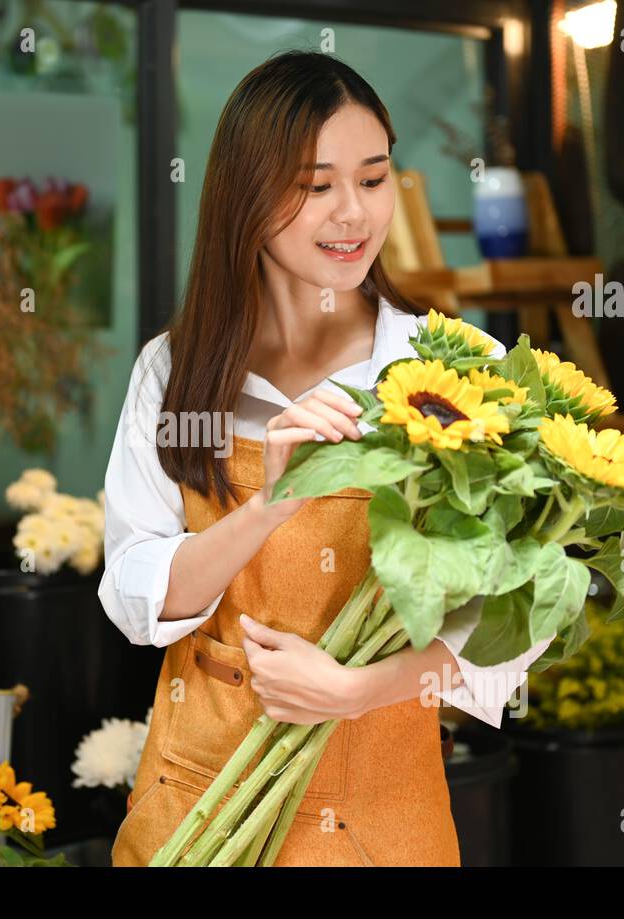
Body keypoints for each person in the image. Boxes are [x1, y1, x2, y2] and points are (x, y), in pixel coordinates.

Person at [98, 50, 554, 867]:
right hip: (195, 803)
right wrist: (270, 504)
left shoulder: (457, 374)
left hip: (381, 816)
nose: (353, 214)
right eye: (316, 186)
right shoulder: (175, 369)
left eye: (373, 179)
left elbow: (516, 622)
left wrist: (356, 691)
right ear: (245, 194)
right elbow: (134, 596)